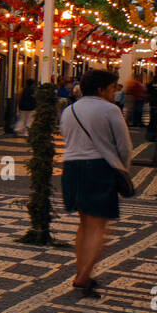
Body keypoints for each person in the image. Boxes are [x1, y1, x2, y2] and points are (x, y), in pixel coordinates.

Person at [61, 70, 133, 296]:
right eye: (112, 88)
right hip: (98, 168)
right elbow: (124, 145)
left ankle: (81, 271)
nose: (114, 93)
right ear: (101, 89)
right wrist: (122, 168)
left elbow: (66, 138)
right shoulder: (110, 109)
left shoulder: (69, 110)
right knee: (98, 226)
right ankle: (84, 276)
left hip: (71, 169)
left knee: (84, 223)